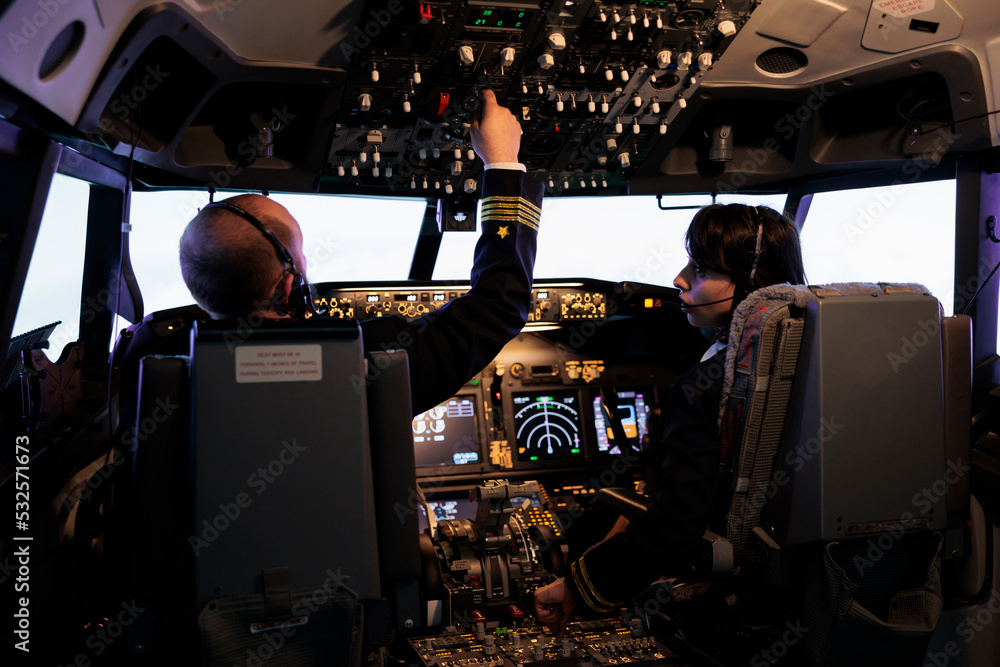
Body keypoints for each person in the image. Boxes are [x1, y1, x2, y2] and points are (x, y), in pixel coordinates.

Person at [173, 89, 542, 415]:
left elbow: (500, 305)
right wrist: (501, 158)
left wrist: (502, 164)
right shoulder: (368, 360)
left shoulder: (165, 373)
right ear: (289, 289)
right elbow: (498, 306)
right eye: (302, 260)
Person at [533, 203, 806, 633]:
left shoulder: (708, 386)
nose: (679, 279)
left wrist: (575, 586)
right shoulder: (813, 359)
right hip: (806, 587)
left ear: (750, 283)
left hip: (727, 593)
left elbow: (677, 526)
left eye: (699, 269)